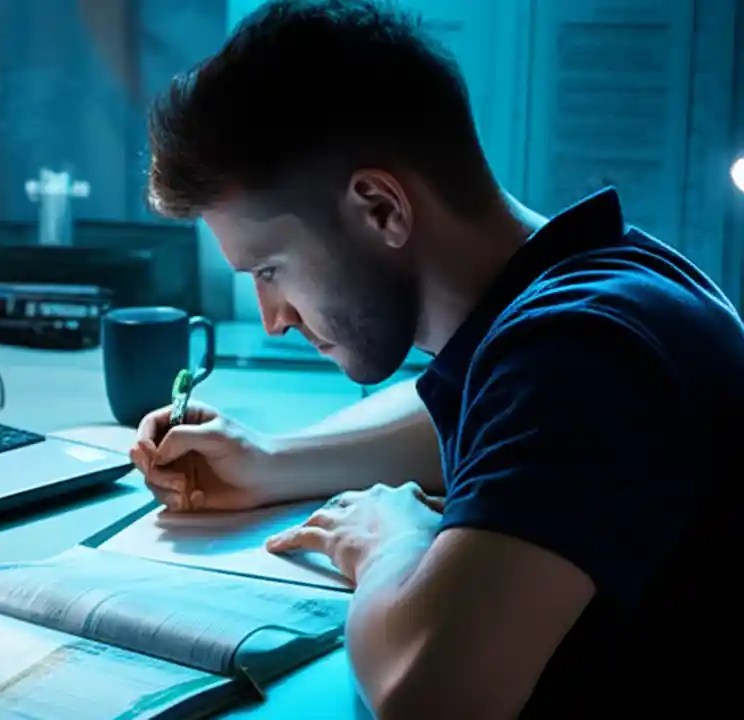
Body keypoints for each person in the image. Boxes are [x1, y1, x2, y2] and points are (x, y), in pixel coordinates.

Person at [130, 0, 744, 717]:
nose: (274, 320)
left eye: (270, 270)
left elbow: (431, 696)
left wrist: (392, 540)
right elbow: (484, 421)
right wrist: (271, 461)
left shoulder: (583, 351)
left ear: (381, 208)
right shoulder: (595, 292)